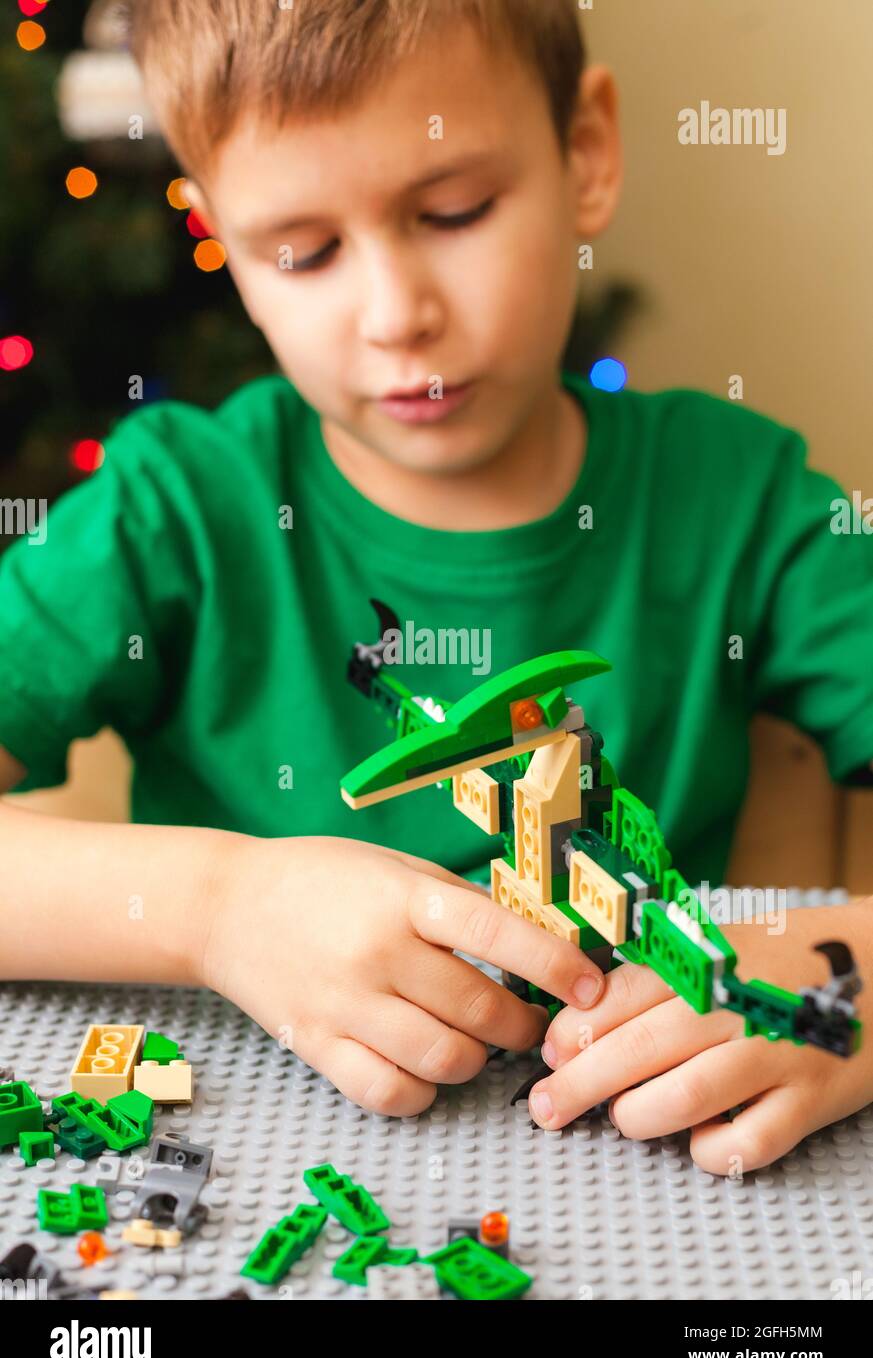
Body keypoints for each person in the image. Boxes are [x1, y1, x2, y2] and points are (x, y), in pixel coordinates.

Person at [0, 0, 871, 1175]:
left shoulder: (746, 504)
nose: (396, 313)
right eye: (302, 251)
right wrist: (214, 906)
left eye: (454, 211)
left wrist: (844, 979)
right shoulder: (173, 512)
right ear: (221, 241)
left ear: (587, 155)